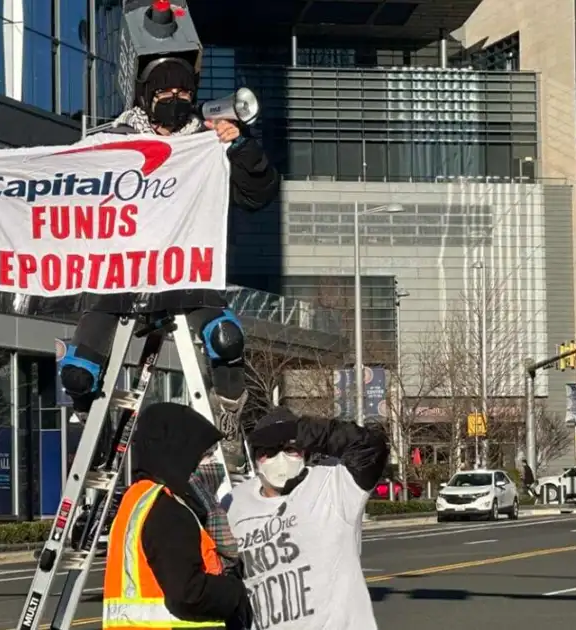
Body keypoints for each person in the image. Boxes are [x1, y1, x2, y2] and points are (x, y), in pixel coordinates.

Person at [57, 49, 282, 415]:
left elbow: (258, 195)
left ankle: (229, 405)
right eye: (166, 94)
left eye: (184, 94)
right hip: (122, 276)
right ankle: (87, 418)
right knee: (79, 374)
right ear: (147, 97)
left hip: (188, 275)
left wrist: (240, 148)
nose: (176, 101)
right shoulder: (113, 141)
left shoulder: (209, 143)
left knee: (226, 339)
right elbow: (58, 180)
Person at [226, 407, 389, 630]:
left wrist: (304, 430)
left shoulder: (333, 483)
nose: (279, 458)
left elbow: (370, 448)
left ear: (305, 452)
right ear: (255, 458)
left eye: (290, 449)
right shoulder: (234, 503)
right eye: (270, 451)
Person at [102, 402, 253, 630]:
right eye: (200, 456)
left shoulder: (139, 499)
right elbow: (188, 594)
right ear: (176, 453)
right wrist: (235, 592)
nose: (206, 465)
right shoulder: (168, 510)